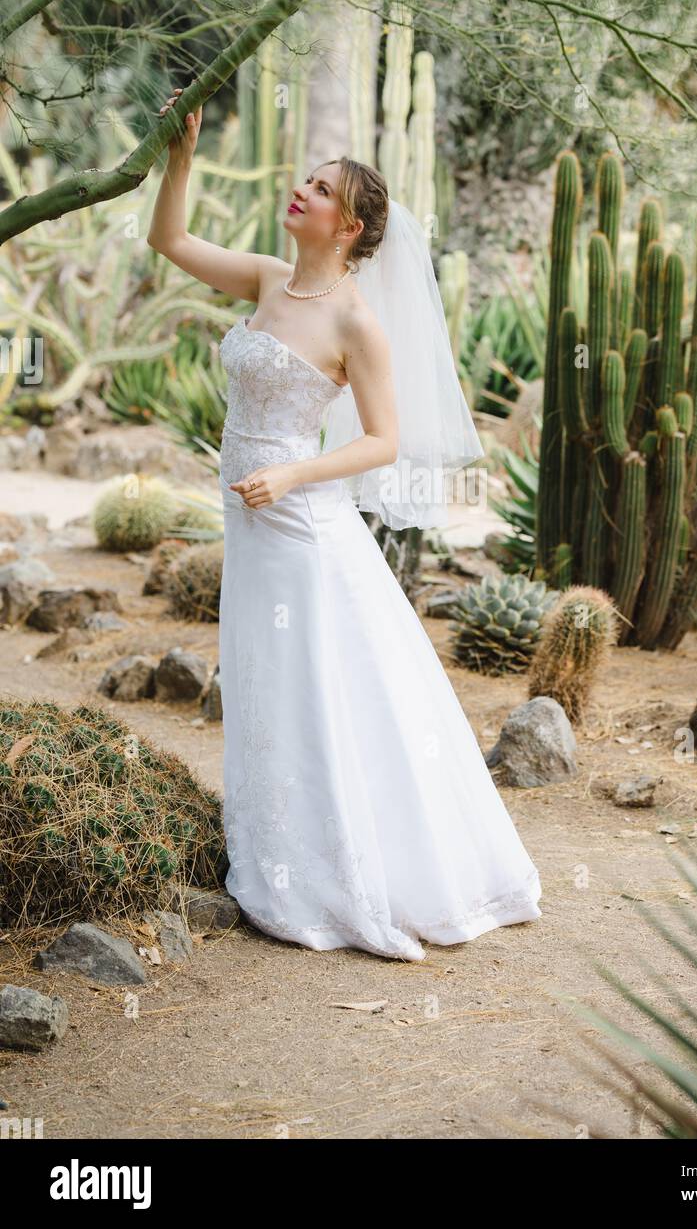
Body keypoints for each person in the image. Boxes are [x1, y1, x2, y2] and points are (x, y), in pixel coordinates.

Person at [147, 89, 542, 962]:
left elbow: (383, 441)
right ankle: (277, 853)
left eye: (322, 191)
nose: (302, 191)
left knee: (316, 683)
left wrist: (292, 470)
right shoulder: (263, 278)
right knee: (265, 677)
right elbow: (169, 241)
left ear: (352, 227)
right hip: (249, 519)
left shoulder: (356, 320)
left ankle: (336, 871)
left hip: (302, 525)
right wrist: (181, 156)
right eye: (308, 180)